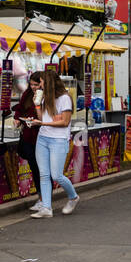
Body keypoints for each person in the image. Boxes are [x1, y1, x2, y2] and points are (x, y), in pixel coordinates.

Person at [28, 68, 78, 218]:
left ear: (48, 83)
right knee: (44, 174)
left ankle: (73, 197)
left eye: (41, 82)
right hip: (43, 138)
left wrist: (42, 123)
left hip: (59, 139)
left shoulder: (64, 98)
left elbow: (65, 122)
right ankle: (46, 208)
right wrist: (37, 105)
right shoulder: (45, 97)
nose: (39, 85)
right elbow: (43, 117)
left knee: (56, 175)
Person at [12, 72, 43, 205]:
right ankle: (41, 197)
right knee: (33, 166)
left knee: (40, 169)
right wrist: (17, 118)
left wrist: (37, 119)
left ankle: (43, 198)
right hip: (28, 135)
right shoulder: (27, 93)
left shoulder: (45, 95)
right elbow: (20, 108)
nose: (33, 87)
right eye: (31, 84)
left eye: (36, 85)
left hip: (40, 136)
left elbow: (45, 117)